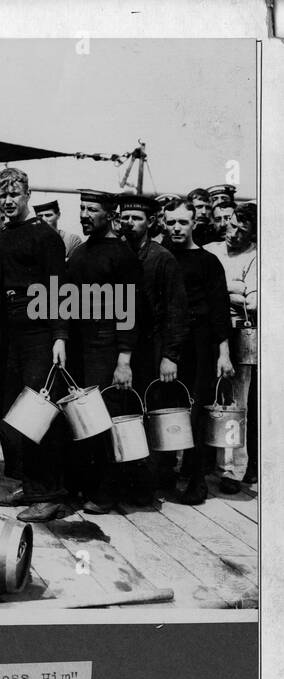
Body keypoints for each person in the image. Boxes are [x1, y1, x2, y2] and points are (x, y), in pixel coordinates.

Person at [0, 167, 70, 522]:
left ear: (27, 196)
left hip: (39, 334)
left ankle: (50, 492)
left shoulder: (45, 236)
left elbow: (60, 290)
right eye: (2, 196)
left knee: (37, 413)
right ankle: (28, 482)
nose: (7, 202)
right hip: (11, 335)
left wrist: (59, 337)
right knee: (9, 411)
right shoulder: (3, 234)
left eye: (14, 195)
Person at [60, 191, 145, 514]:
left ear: (110, 215)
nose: (84, 214)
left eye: (92, 209)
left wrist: (124, 359)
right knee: (80, 419)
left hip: (106, 347)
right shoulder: (81, 252)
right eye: (82, 208)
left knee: (105, 421)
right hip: (80, 348)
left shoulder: (121, 256)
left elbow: (129, 312)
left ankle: (108, 492)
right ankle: (83, 486)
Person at [116, 194, 189, 504]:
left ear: (149, 223)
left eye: (136, 219)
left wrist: (170, 356)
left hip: (153, 350)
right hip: (121, 350)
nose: (129, 224)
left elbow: (177, 311)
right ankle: (126, 480)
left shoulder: (161, 259)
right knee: (125, 415)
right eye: (125, 218)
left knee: (149, 415)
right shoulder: (117, 254)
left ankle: (147, 487)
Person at [162, 198, 235, 505]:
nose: (176, 227)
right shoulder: (162, 258)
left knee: (195, 412)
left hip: (201, 345)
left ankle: (195, 480)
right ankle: (164, 473)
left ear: (194, 223)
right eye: (171, 222)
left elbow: (219, 309)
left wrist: (224, 353)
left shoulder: (207, 262)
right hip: (169, 345)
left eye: (182, 222)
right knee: (165, 407)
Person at [202, 201, 258, 491]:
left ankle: (233, 470)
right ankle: (208, 461)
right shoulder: (210, 249)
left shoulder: (255, 257)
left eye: (242, 230)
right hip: (208, 332)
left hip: (239, 334)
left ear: (253, 235)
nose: (233, 233)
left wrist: (216, 290)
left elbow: (252, 302)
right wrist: (233, 288)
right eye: (233, 224)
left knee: (237, 406)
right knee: (210, 400)